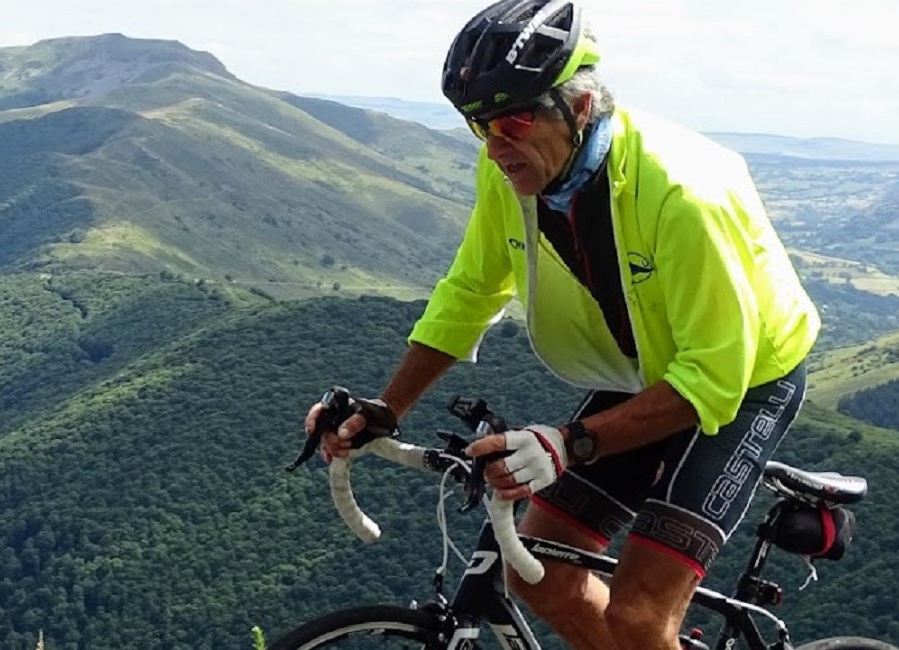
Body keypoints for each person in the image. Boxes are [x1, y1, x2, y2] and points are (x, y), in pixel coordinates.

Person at [302, 0, 821, 648]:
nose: (493, 147)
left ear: (578, 106)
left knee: (638, 618)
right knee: (540, 574)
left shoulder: (686, 196)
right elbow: (469, 290)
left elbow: (712, 380)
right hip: (645, 369)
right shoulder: (513, 171)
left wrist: (567, 444)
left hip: (744, 379)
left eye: (512, 120)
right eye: (476, 124)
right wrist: (389, 407)